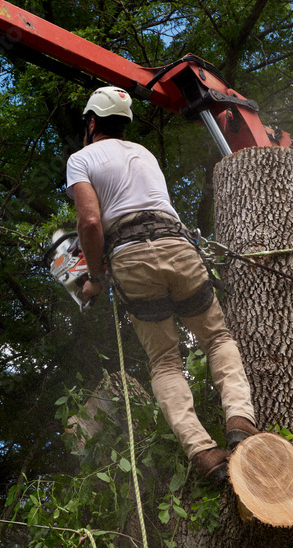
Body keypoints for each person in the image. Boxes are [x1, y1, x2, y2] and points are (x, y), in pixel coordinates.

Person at [65, 86, 259, 483]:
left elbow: (89, 223)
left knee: (165, 361)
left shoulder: (81, 158)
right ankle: (240, 422)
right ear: (124, 123)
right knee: (217, 338)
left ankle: (204, 454)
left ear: (91, 122)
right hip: (177, 245)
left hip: (130, 258)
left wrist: (96, 280)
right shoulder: (145, 154)